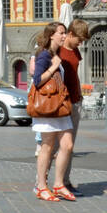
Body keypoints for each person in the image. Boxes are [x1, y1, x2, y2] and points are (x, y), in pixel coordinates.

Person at [31, 22, 75, 201]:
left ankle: (58, 184)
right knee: (47, 146)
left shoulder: (56, 54)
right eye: (61, 33)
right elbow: (37, 80)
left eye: (64, 33)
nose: (64, 36)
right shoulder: (44, 55)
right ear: (51, 35)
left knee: (67, 145)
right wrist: (53, 67)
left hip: (59, 106)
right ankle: (41, 186)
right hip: (47, 106)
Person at [54, 20, 89, 195]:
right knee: (53, 145)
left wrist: (79, 93)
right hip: (62, 104)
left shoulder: (75, 51)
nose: (80, 44)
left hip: (75, 102)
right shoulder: (58, 51)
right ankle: (42, 181)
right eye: (79, 40)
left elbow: (75, 73)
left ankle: (64, 181)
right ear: (70, 34)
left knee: (69, 145)